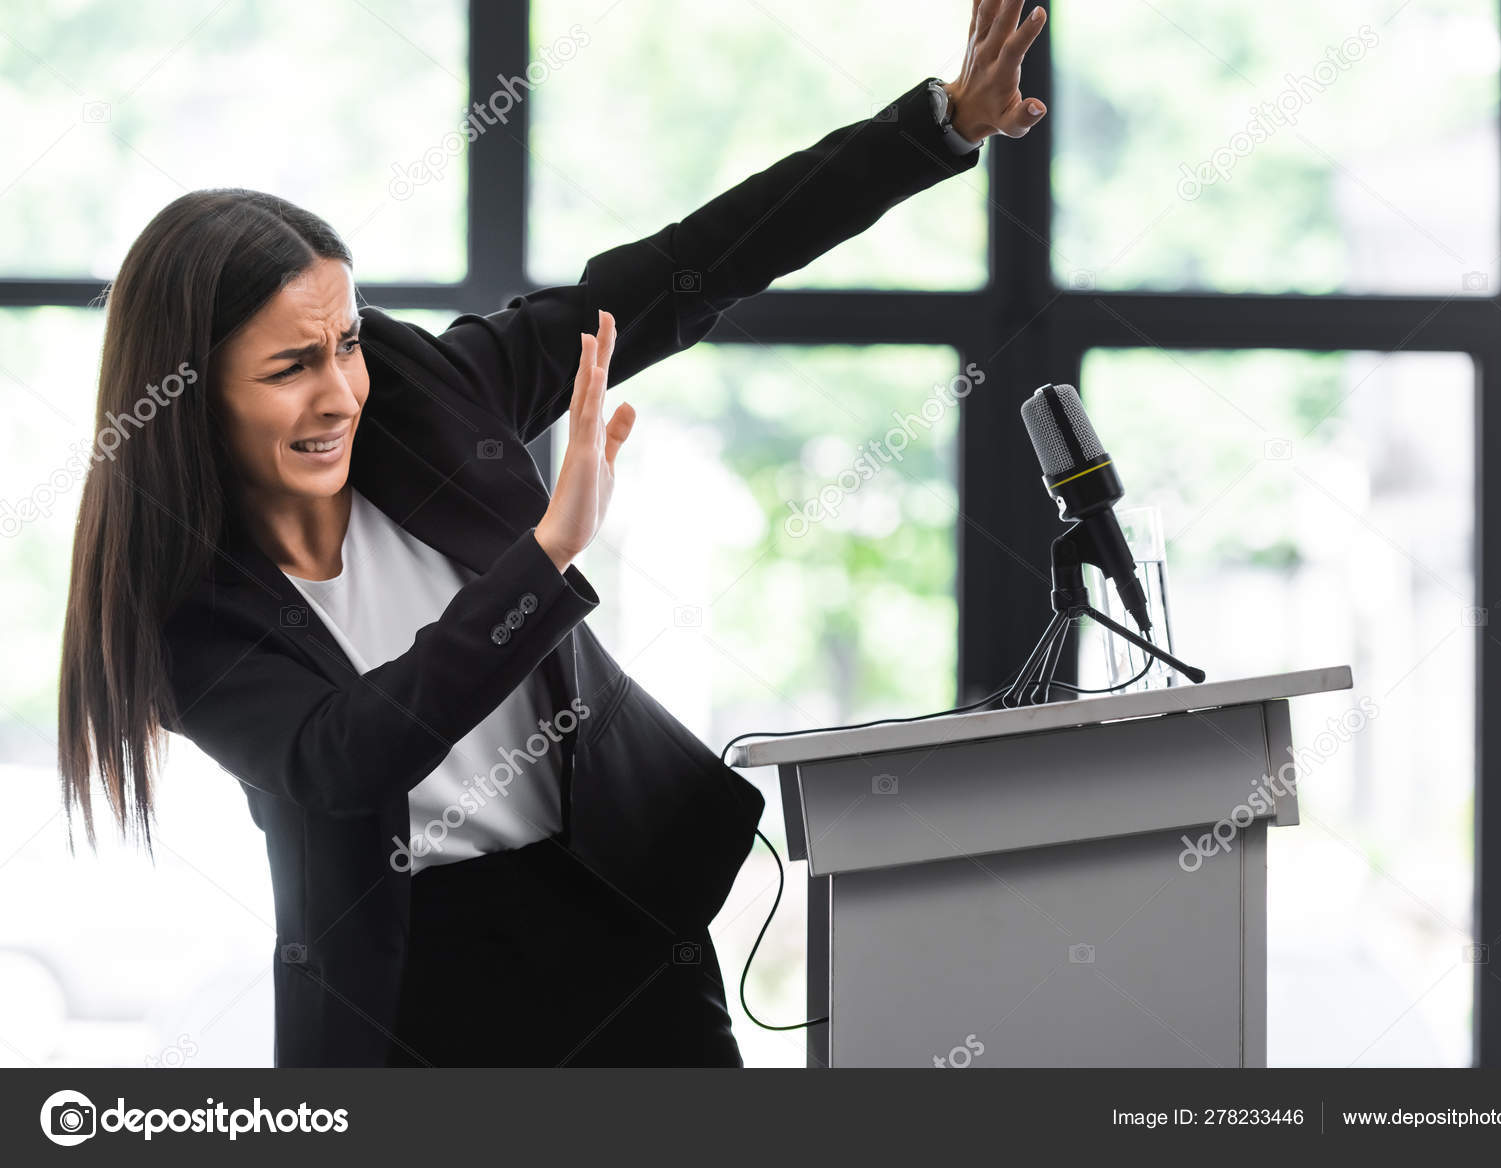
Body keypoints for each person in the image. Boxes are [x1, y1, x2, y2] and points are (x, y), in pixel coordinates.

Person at [55, 0, 1051, 1068]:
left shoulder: (428, 393)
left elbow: (688, 269)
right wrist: (543, 558)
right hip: (411, 987)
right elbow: (350, 757)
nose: (340, 392)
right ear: (190, 395)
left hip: (611, 904)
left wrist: (935, 129)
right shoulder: (179, 614)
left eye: (344, 343)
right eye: (291, 367)